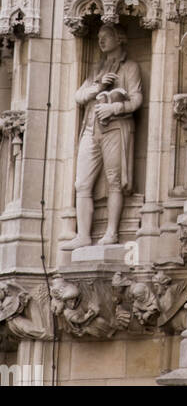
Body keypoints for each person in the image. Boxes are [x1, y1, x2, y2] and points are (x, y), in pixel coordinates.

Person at [70, 24, 143, 248]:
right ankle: (83, 235)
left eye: (106, 37)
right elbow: (79, 96)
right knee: (81, 183)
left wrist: (114, 109)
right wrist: (98, 86)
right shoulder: (97, 69)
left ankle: (111, 232)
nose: (101, 41)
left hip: (114, 127)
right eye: (99, 37)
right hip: (91, 128)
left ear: (119, 38)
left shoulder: (130, 67)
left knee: (114, 182)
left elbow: (137, 99)